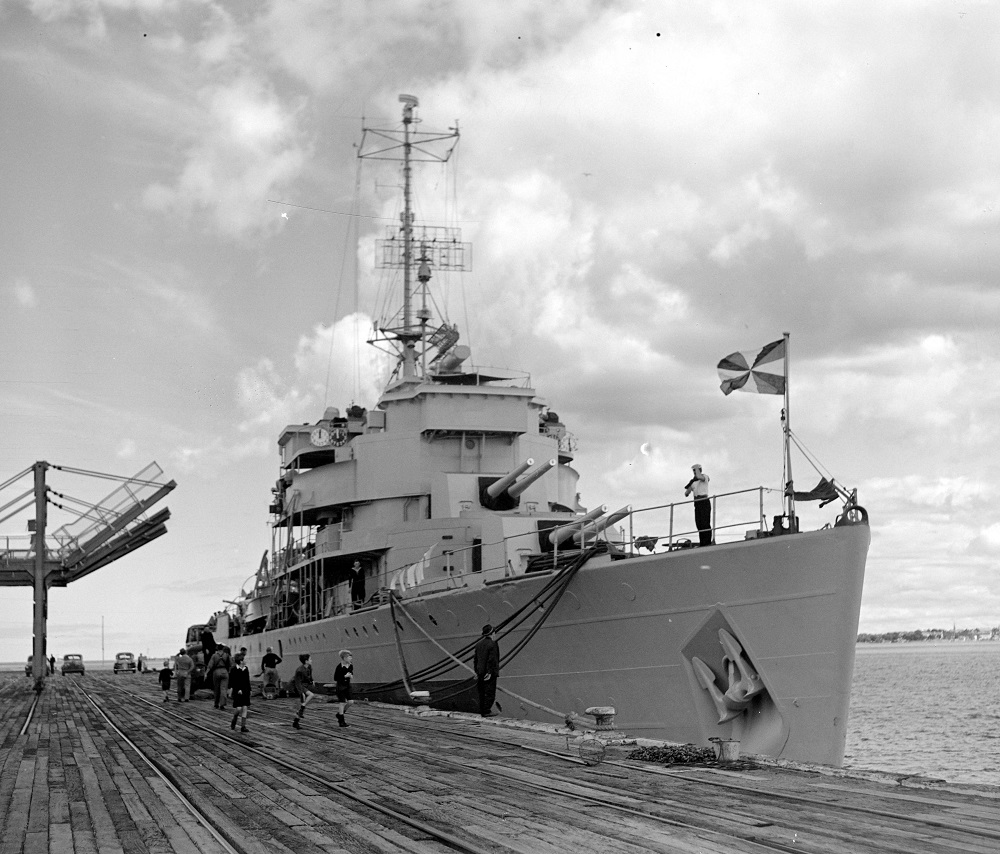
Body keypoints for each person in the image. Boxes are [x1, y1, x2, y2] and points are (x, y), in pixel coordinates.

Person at [474, 624, 500, 717]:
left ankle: (482, 710)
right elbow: (492, 659)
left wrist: (476, 672)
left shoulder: (478, 644)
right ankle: (486, 711)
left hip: (480, 671)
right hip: (489, 672)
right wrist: (489, 672)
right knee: (490, 692)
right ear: (492, 633)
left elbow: (475, 660)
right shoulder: (493, 644)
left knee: (481, 692)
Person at [684, 463, 713, 546]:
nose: (694, 472)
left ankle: (707, 542)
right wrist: (688, 490)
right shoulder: (693, 482)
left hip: (704, 501)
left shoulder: (705, 477)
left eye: (695, 470)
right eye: (693, 470)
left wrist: (697, 470)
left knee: (705, 523)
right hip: (697, 503)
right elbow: (687, 492)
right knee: (699, 524)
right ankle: (702, 542)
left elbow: (700, 477)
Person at [229, 651, 251, 733]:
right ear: (241, 661)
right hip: (237, 691)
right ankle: (234, 719)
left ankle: (243, 726)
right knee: (238, 708)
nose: (245, 661)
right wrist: (238, 689)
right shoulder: (234, 670)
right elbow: (233, 681)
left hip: (245, 690)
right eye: (243, 660)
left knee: (245, 707)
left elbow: (247, 680)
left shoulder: (246, 669)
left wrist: (250, 689)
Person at [291, 652, 315, 729]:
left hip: (304, 686)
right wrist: (301, 693)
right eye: (310, 659)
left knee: (300, 708)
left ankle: (296, 721)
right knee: (310, 695)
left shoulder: (309, 667)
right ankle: (302, 707)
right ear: (306, 661)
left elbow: (310, 676)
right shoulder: (299, 671)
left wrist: (312, 681)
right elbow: (297, 683)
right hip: (299, 686)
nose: (312, 660)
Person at [206, 645, 233, 710]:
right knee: (223, 689)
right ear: (223, 649)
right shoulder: (226, 655)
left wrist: (206, 673)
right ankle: (222, 704)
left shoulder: (214, 655)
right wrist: (229, 671)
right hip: (224, 672)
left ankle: (216, 704)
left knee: (216, 689)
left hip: (216, 671)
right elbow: (231, 664)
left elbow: (210, 665)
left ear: (217, 648)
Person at [333, 650, 354, 728]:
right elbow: (335, 678)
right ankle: (341, 721)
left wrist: (350, 676)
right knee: (342, 702)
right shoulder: (339, 667)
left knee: (351, 702)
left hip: (347, 686)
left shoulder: (350, 665)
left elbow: (351, 673)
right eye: (349, 657)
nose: (351, 658)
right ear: (344, 658)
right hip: (340, 686)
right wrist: (344, 676)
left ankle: (340, 714)